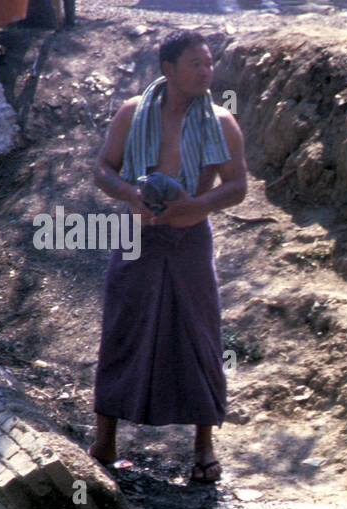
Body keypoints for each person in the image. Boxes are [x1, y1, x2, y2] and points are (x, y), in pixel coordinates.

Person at [89, 31, 247, 483]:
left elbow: (238, 187)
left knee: (199, 334)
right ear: (169, 69)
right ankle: (104, 440)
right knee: (124, 329)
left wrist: (200, 205)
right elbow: (104, 168)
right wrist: (130, 194)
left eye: (209, 63)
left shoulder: (220, 122)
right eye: (195, 63)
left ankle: (203, 448)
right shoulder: (132, 113)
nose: (205, 71)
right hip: (137, 235)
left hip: (190, 238)